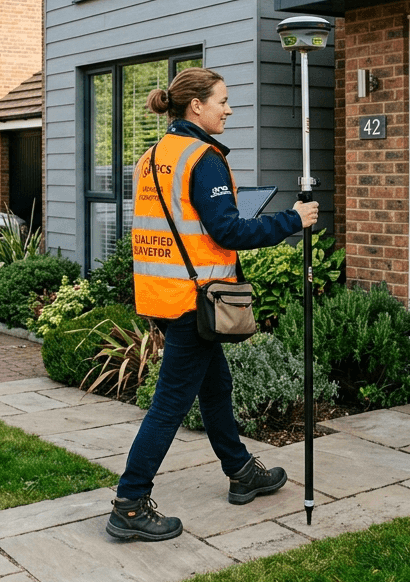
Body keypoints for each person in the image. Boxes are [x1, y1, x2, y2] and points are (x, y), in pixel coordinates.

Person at [107, 67, 318, 542]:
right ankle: (130, 504)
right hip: (194, 298)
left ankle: (242, 471)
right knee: (169, 405)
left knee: (215, 385)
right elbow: (229, 231)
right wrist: (293, 219)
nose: (228, 108)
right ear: (196, 106)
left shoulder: (153, 155)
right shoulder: (203, 157)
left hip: (162, 295)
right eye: (222, 100)